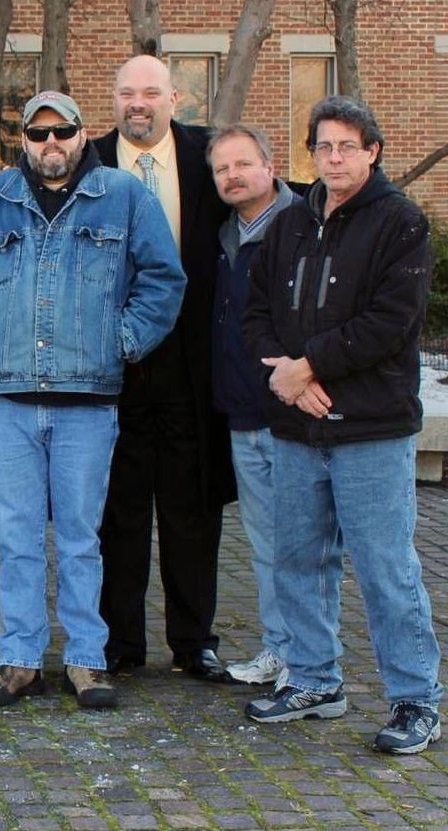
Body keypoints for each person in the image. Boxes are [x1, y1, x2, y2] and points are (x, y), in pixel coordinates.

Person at [0, 91, 186, 711]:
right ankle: (20, 660)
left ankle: (86, 660)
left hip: (88, 398)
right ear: (22, 140)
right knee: (18, 537)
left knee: (80, 537)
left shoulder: (124, 197)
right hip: (8, 398)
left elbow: (163, 277)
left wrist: (123, 340)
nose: (50, 144)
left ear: (82, 136)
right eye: (38, 134)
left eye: (62, 132)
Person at [242, 96, 443, 754]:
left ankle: (415, 698)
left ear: (371, 152)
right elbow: (256, 313)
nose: (332, 158)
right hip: (299, 429)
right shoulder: (287, 225)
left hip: (371, 433)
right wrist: (288, 381)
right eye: (322, 147)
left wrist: (308, 366)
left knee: (386, 569)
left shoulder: (399, 223)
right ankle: (313, 680)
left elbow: (391, 323)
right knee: (298, 562)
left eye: (345, 147)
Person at [92, 55, 234, 682]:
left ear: (176, 97)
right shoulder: (87, 158)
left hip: (192, 359)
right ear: (113, 100)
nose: (138, 103)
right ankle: (120, 641)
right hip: (111, 359)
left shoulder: (209, 158)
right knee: (117, 505)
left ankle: (193, 638)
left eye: (151, 92)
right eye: (127, 93)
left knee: (191, 503)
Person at [206, 124, 297, 686]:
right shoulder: (225, 236)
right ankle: (280, 649)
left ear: (270, 164)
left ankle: (311, 658)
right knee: (267, 547)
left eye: (243, 164)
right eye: (221, 169)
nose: (233, 176)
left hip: (291, 417)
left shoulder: (303, 226)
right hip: (243, 416)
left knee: (304, 549)